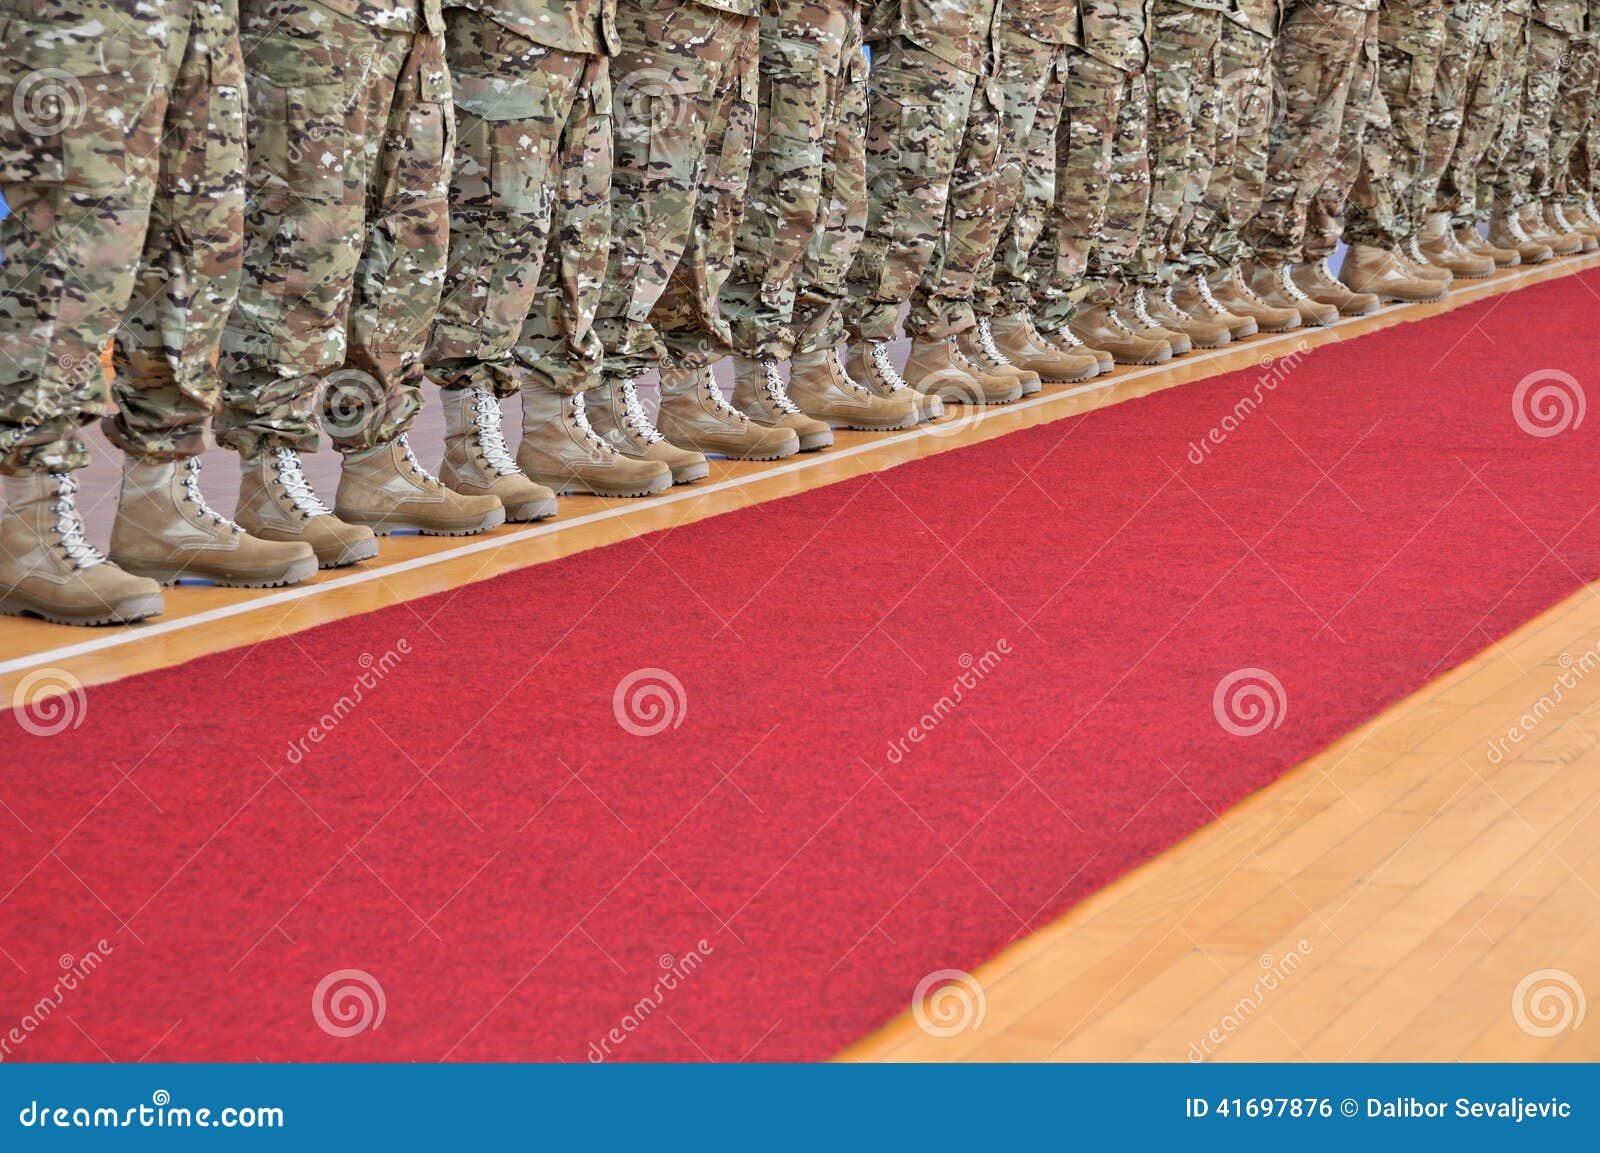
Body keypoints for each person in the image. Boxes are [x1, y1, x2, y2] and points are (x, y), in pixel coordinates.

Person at [0, 0, 316, 627]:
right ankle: (26, 521)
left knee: (198, 251)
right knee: (75, 247)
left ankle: (160, 504)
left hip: (204, 17)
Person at [217, 0, 505, 559]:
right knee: (303, 238)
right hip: (314, 21)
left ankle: (379, 464)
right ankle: (270, 475)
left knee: (408, 241)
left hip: (414, 26)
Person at [426, 0, 668, 501]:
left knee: (578, 231)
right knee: (498, 228)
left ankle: (553, 428)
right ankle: (471, 441)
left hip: (586, 30)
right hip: (504, 23)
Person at [722, 0, 921, 436]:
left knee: (842, 203)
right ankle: (759, 375)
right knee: (783, 200)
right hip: (788, 19)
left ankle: (817, 365)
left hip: (840, 20)